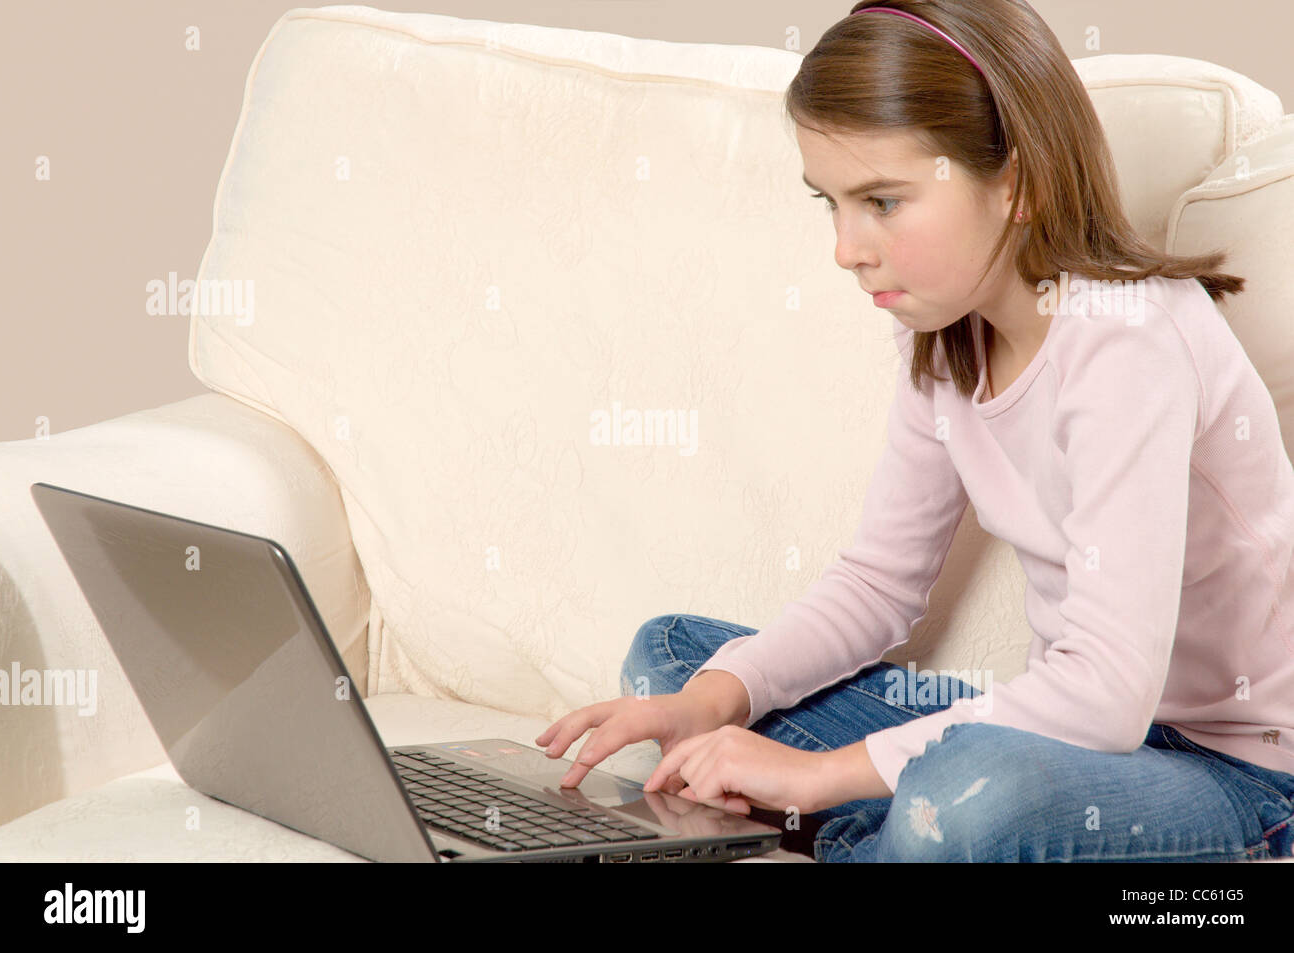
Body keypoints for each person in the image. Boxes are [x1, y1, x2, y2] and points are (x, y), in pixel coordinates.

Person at [536, 0, 1294, 862]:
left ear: (1018, 183)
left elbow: (1111, 696)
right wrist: (712, 703)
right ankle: (893, 836)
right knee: (673, 662)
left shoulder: (1127, 341)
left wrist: (817, 776)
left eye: (882, 201)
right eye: (830, 203)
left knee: (967, 798)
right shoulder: (942, 333)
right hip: (1051, 738)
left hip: (1227, 775)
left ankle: (883, 830)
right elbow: (877, 585)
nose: (846, 248)